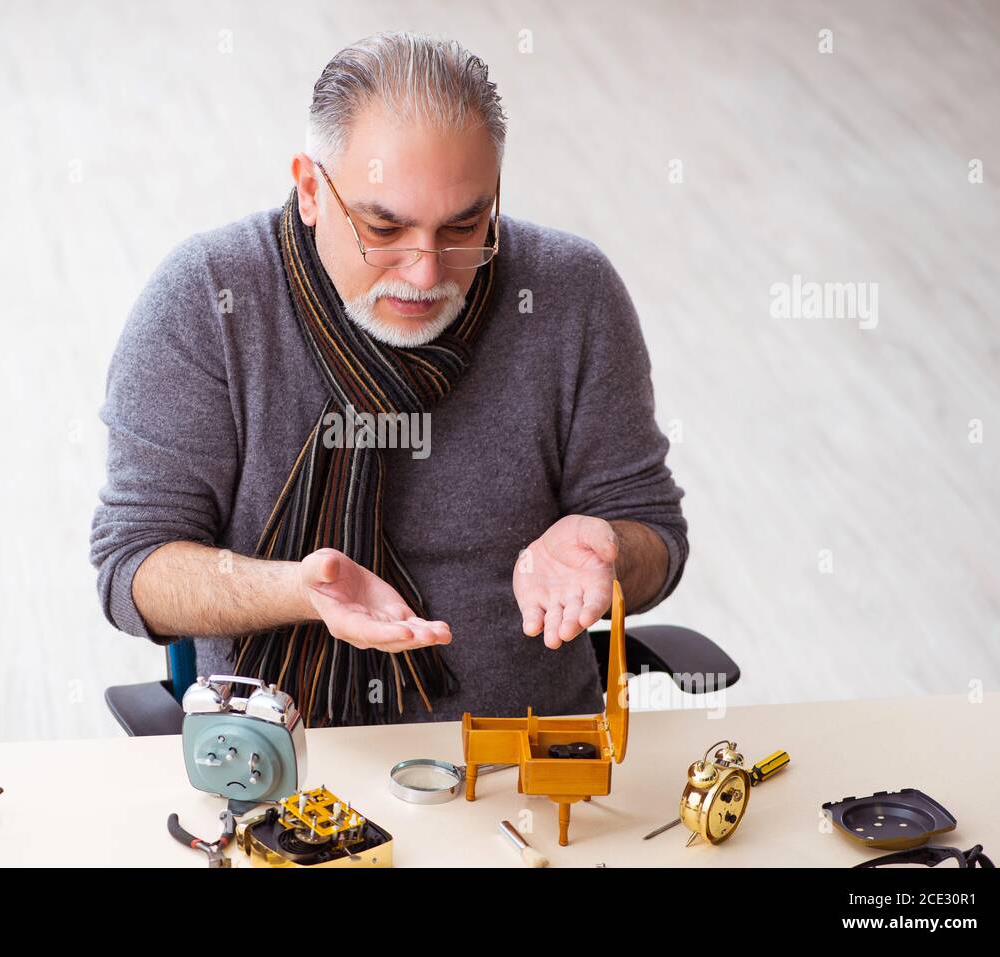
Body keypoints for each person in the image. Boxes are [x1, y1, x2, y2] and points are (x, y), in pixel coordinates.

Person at [90, 31, 688, 726]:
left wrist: (608, 553)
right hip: (288, 761)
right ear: (311, 189)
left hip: (523, 753)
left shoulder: (571, 292)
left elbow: (654, 535)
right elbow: (133, 566)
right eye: (384, 227)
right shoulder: (207, 299)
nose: (426, 272)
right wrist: (297, 589)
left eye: (465, 226)